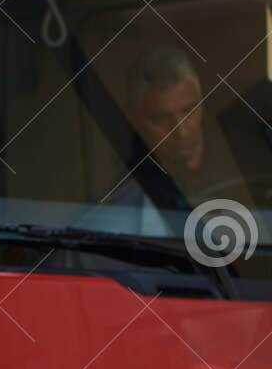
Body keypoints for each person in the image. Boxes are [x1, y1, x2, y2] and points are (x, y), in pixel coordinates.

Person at [83, 46, 253, 234]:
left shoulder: (247, 160)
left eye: (189, 110)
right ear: (132, 118)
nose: (181, 131)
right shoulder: (121, 194)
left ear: (202, 101)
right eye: (161, 118)